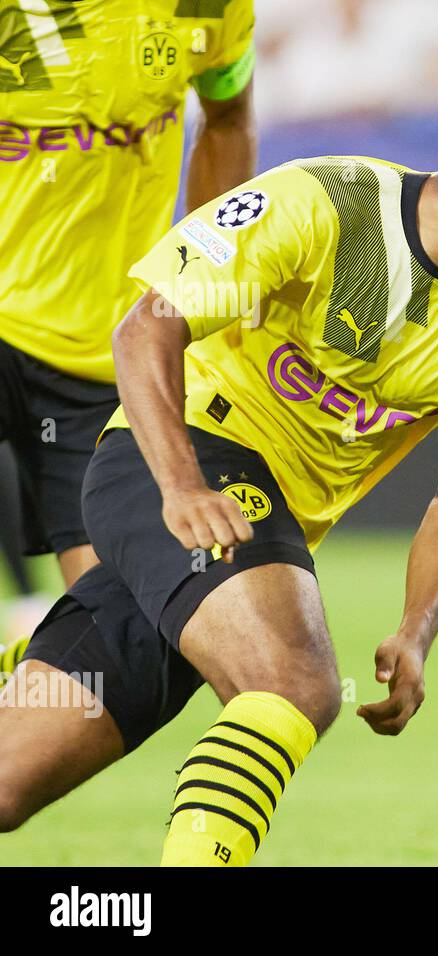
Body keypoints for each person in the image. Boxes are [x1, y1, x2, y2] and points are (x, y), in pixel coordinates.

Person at [0, 31, 438, 867]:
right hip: (183, 466)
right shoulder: (327, 204)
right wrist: (179, 486)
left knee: (9, 786)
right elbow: (147, 327)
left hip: (246, 536)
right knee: (294, 686)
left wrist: (417, 632)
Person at [0, 0, 257, 669]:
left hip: (104, 353)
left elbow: (227, 116)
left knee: (116, 637)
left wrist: (203, 292)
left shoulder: (211, 7)